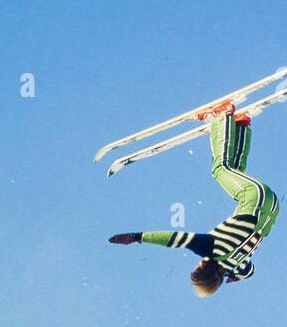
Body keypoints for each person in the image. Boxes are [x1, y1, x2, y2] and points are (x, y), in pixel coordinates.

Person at [109, 104, 278, 296]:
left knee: (233, 171)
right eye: (198, 267)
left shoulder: (235, 264)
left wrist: (236, 276)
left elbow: (249, 272)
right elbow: (177, 239)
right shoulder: (211, 248)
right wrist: (137, 237)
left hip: (271, 207)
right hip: (255, 197)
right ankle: (221, 116)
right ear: (203, 268)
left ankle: (240, 125)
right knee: (220, 169)